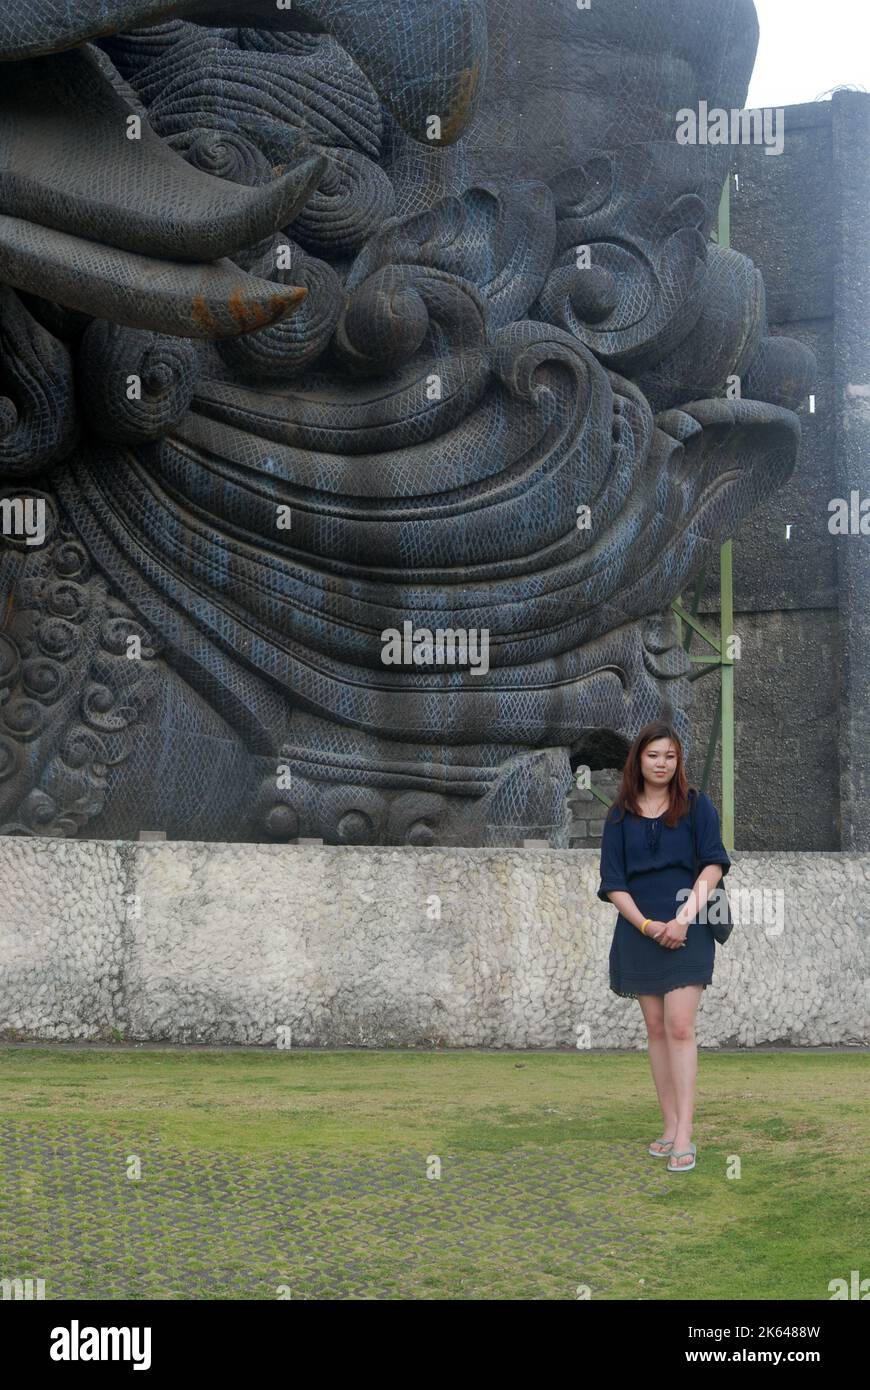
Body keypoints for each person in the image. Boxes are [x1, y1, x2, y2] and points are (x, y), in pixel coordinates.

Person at [596, 721, 731, 1172]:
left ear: (679, 762)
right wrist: (650, 926)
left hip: (689, 922)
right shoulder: (618, 815)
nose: (662, 764)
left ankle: (686, 1135)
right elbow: (613, 883)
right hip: (639, 930)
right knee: (655, 1029)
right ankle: (670, 1124)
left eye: (670, 756)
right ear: (639, 759)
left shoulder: (697, 806)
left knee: (679, 1027)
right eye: (654, 755)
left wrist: (682, 920)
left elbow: (713, 864)